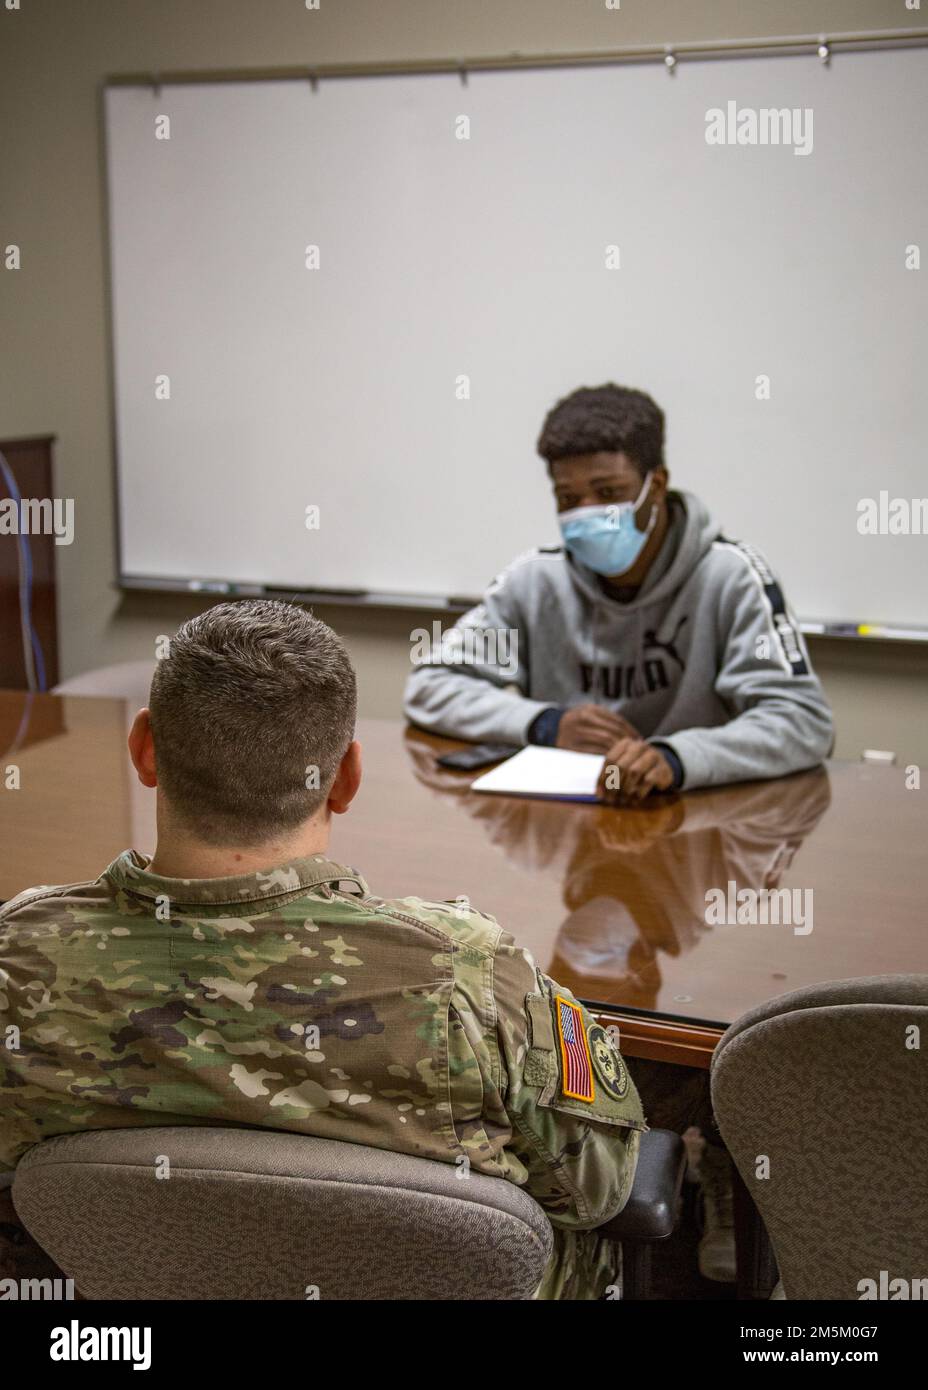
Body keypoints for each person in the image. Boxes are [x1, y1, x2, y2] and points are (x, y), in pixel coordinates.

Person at [0, 599, 645, 1300]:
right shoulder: (470, 977)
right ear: (346, 778)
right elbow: (601, 1188)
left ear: (144, 750)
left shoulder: (18, 960)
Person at [404, 383, 834, 798]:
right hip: (569, 824)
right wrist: (546, 724)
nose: (586, 513)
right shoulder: (535, 582)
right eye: (568, 498)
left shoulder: (731, 578)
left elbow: (802, 721)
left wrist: (677, 757)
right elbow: (431, 684)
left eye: (608, 492)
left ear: (657, 486)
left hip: (689, 820)